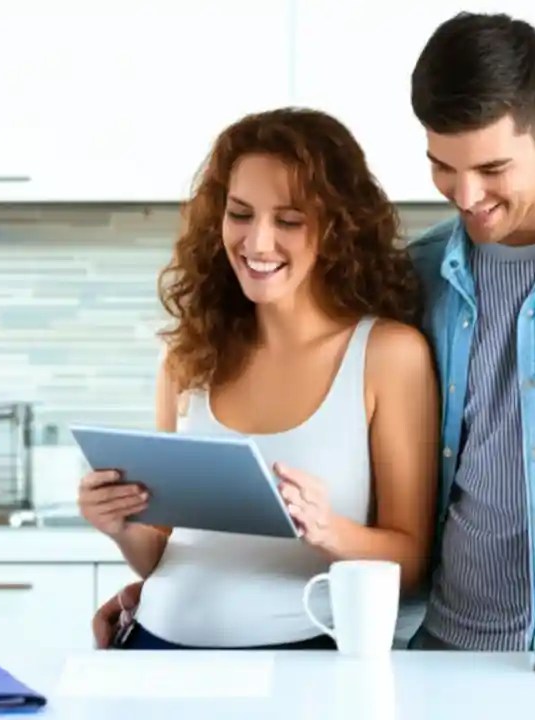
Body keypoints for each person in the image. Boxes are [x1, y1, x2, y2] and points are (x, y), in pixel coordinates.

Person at [93, 12, 535, 714]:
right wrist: (167, 588)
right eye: (443, 168)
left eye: (492, 169)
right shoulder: (421, 274)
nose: (468, 197)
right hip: (438, 654)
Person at [77, 107, 439, 650]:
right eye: (240, 214)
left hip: (306, 661)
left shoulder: (387, 355)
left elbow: (411, 563)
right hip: (152, 650)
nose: (257, 242)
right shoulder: (189, 356)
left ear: (337, 230)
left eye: (289, 220)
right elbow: (165, 551)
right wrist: (121, 526)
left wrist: (328, 530)